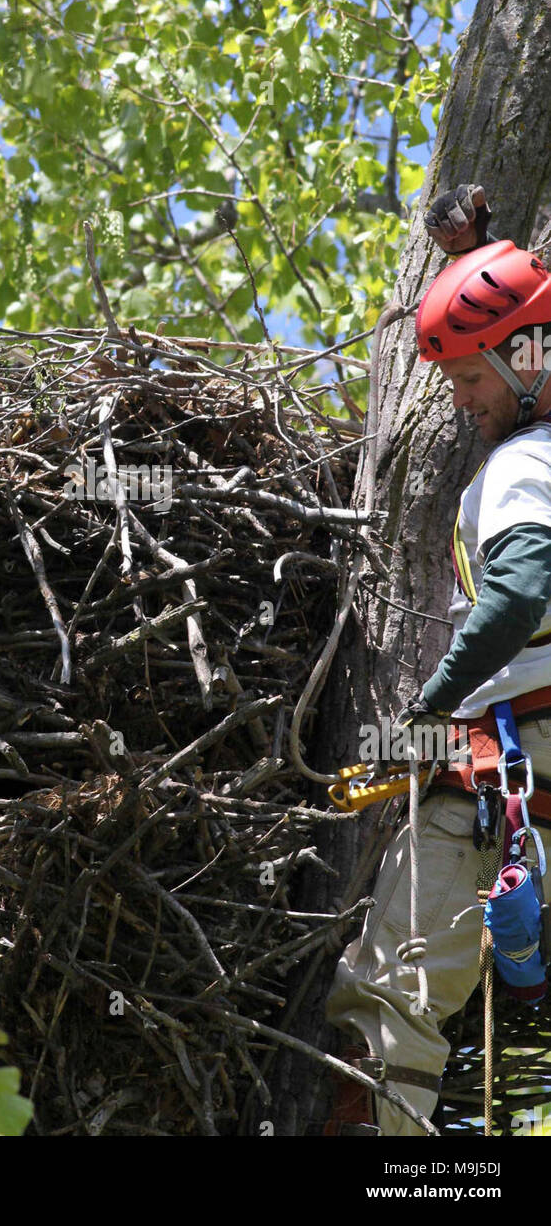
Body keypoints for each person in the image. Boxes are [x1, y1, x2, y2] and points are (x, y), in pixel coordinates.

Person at [324, 183, 551, 1136]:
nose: (460, 401)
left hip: (505, 788)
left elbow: (521, 586)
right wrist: (483, 250)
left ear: (531, 358)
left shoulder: (523, 465)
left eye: (471, 375)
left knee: (388, 1020)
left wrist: (428, 705)